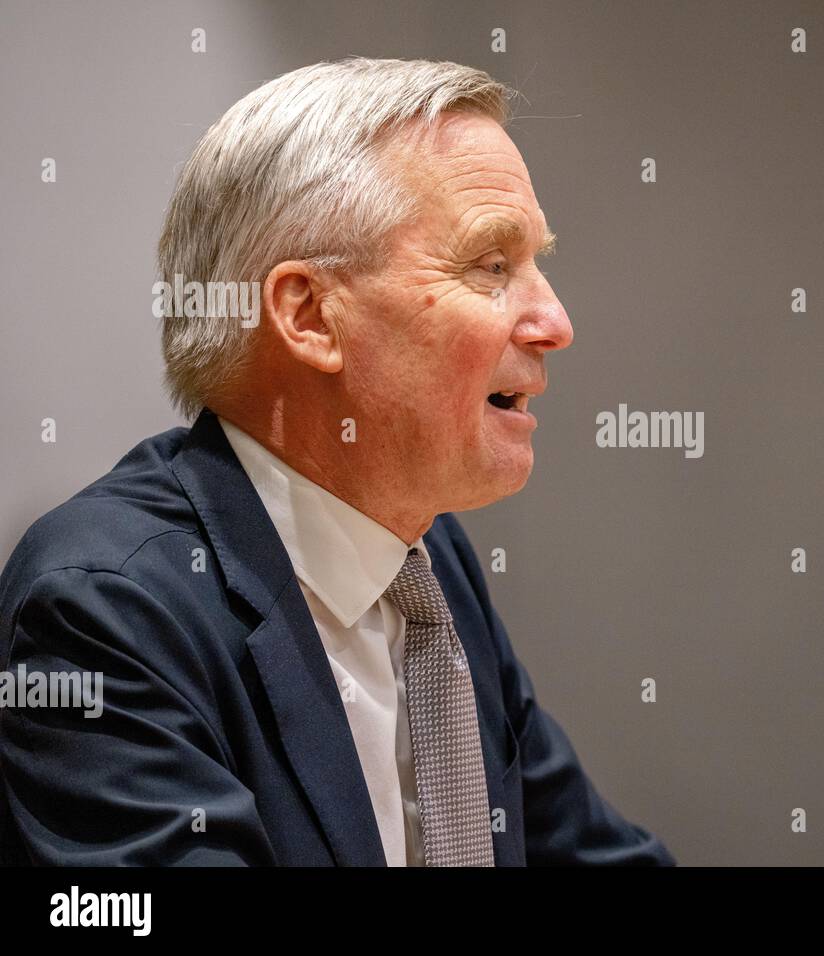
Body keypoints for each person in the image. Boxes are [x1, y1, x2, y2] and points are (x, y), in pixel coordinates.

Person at [0, 58, 675, 866]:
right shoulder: (101, 612)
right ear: (311, 315)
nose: (554, 321)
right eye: (492, 266)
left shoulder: (429, 562)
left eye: (536, 264)